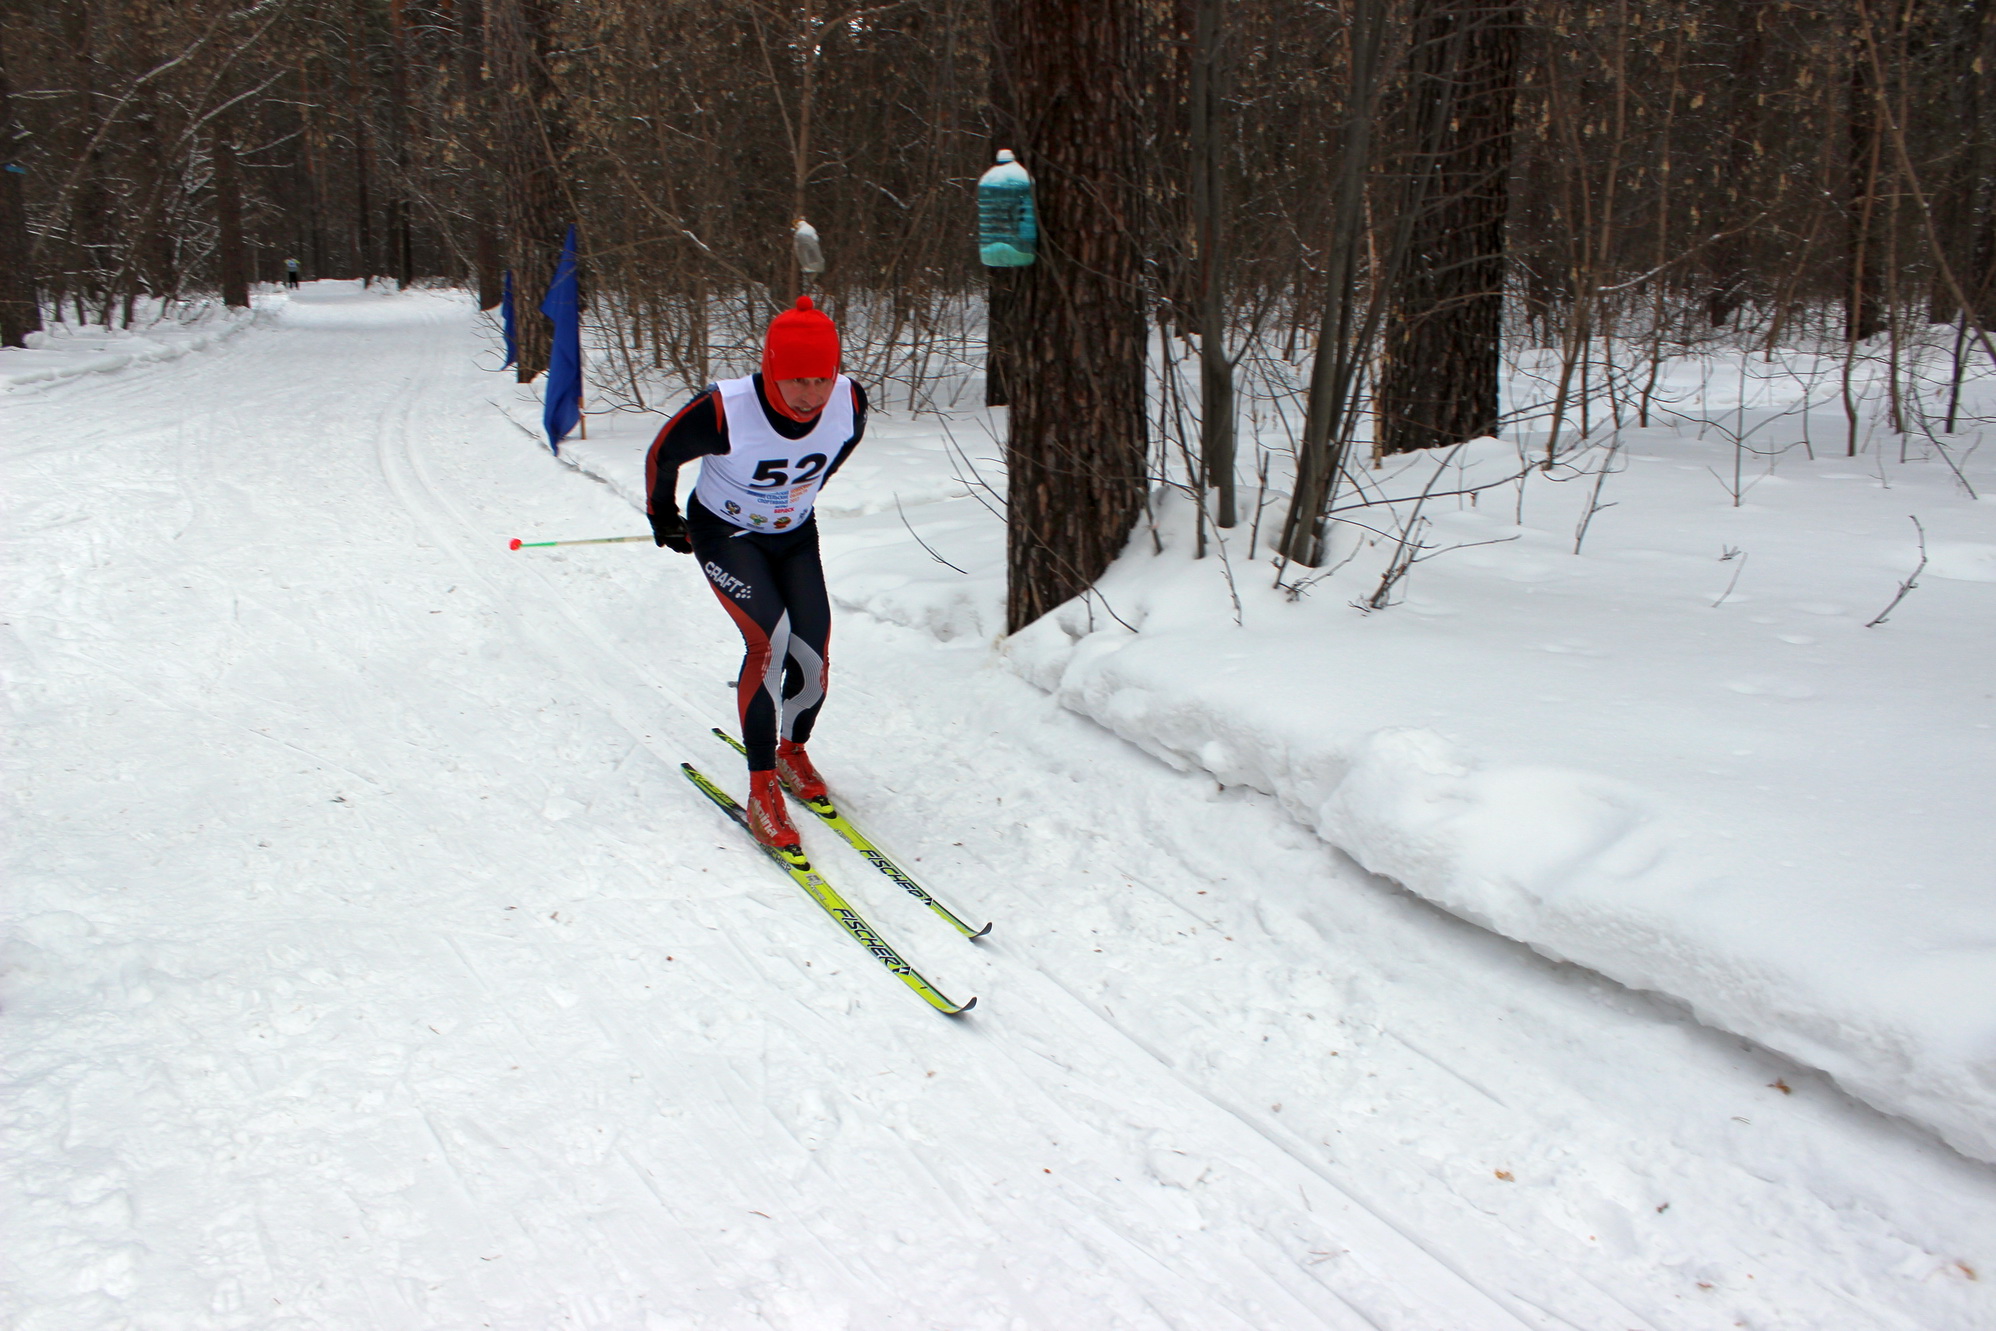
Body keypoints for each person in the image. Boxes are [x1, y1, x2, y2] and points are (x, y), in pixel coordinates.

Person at [645, 296, 866, 849]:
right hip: (725, 534)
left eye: (822, 379)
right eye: (797, 380)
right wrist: (665, 517)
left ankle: (792, 751)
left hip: (793, 535)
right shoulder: (725, 409)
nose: (811, 395)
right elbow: (661, 455)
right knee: (768, 644)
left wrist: (798, 495)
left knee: (813, 652)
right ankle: (761, 785)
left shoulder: (850, 403)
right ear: (770, 368)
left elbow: (835, 449)